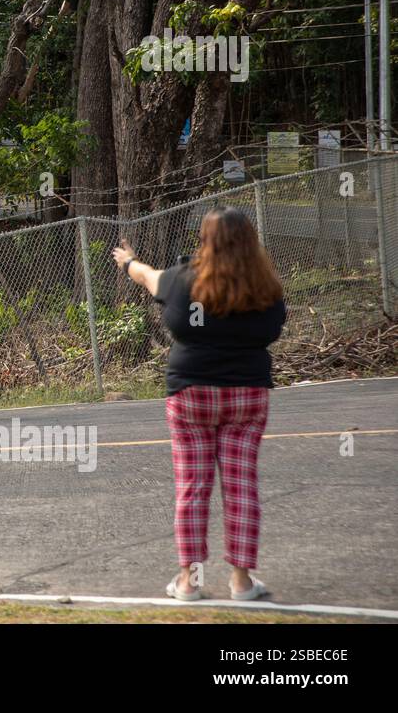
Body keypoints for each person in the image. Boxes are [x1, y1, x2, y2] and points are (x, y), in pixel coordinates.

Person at [113, 207, 286, 603]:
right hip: (247, 394)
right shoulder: (266, 288)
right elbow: (273, 329)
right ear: (250, 242)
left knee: (192, 487)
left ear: (205, 241)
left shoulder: (183, 280)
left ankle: (189, 582)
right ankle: (242, 583)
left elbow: (148, 278)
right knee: (241, 487)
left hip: (190, 394)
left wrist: (129, 263)